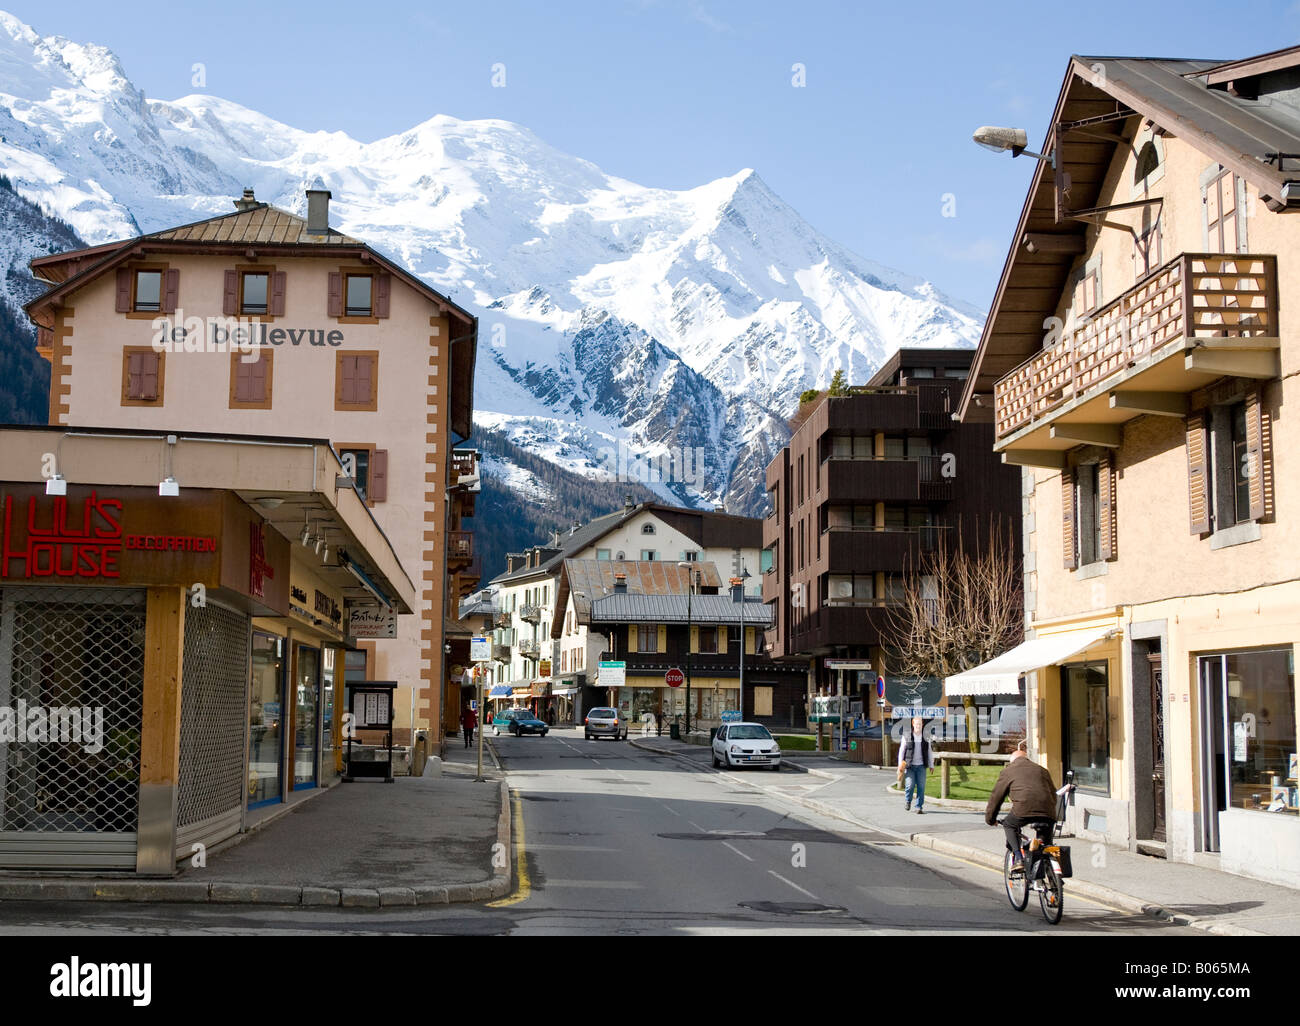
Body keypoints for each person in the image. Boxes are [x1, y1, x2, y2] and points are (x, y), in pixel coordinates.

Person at [984, 743, 1059, 870]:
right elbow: (1053, 793)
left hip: (1023, 810)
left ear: (1012, 762)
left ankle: (1018, 858)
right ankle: (1052, 875)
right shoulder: (1042, 770)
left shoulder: (1008, 771)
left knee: (1009, 824)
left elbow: (996, 797)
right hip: (1048, 811)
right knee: (1045, 846)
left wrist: (990, 819)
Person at [896, 716, 934, 814]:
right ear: (913, 724)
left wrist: (931, 764)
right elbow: (901, 751)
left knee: (921, 786)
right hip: (910, 766)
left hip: (921, 765)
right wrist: (900, 765)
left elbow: (929, 751)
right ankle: (908, 801)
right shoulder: (906, 736)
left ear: (922, 725)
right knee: (910, 785)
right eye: (916, 724)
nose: (918, 726)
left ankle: (919, 807)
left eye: (920, 724)